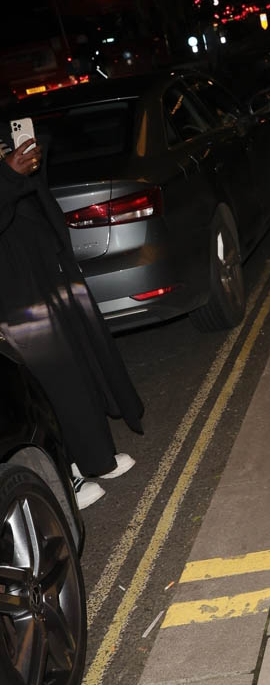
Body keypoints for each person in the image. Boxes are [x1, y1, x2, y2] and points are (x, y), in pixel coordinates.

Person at [0, 125, 143, 508]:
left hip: (43, 273)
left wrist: (26, 163)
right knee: (44, 387)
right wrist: (10, 176)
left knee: (77, 369)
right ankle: (66, 480)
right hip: (11, 294)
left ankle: (94, 458)